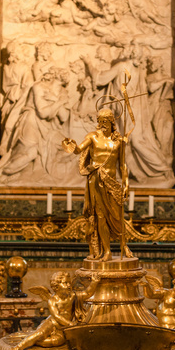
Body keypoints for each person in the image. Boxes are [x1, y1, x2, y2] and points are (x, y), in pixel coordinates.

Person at [62, 102, 132, 261]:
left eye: (106, 121)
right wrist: (71, 145)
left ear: (112, 121)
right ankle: (106, 251)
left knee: (117, 216)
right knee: (100, 216)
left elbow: (122, 165)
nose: (103, 124)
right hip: (95, 181)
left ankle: (123, 245)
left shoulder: (119, 141)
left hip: (112, 183)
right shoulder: (92, 137)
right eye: (100, 121)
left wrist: (126, 184)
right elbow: (79, 150)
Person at [12, 273, 99, 350]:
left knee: (56, 341)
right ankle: (18, 347)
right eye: (65, 283)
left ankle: (33, 341)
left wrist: (94, 282)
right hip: (51, 323)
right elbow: (57, 316)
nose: (69, 285)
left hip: (62, 328)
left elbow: (87, 293)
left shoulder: (73, 296)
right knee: (39, 334)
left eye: (69, 283)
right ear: (56, 287)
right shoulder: (52, 300)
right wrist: (70, 324)